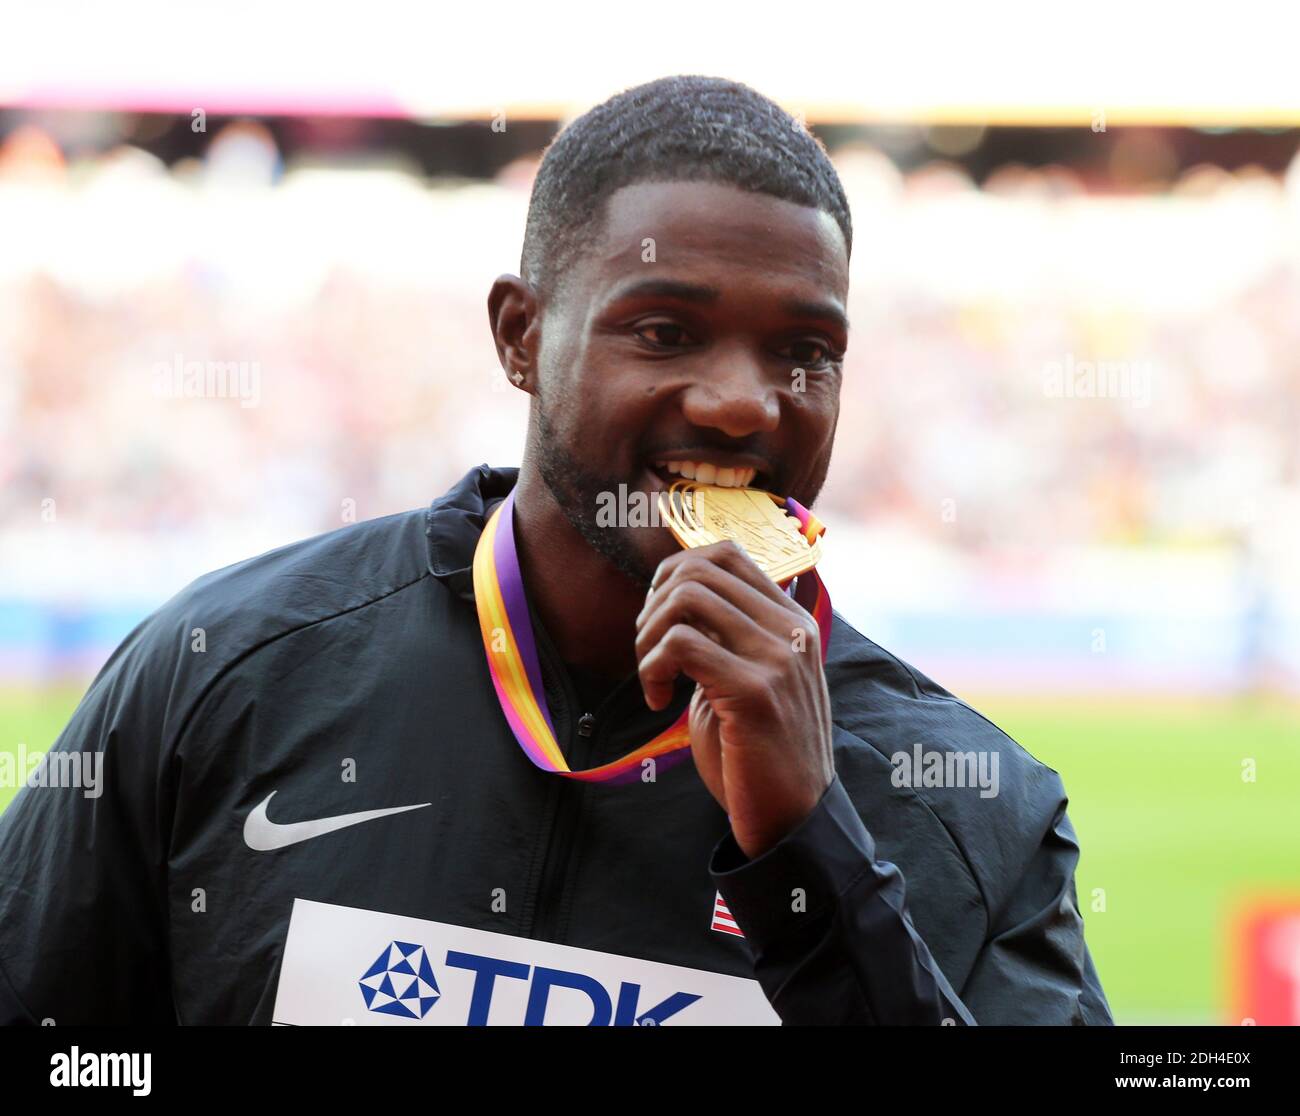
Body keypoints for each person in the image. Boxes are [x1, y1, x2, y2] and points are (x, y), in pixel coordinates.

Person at [0, 75, 1111, 1026]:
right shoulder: (223, 670)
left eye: (803, 351)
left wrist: (812, 861)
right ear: (521, 338)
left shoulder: (973, 810)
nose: (740, 403)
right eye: (664, 330)